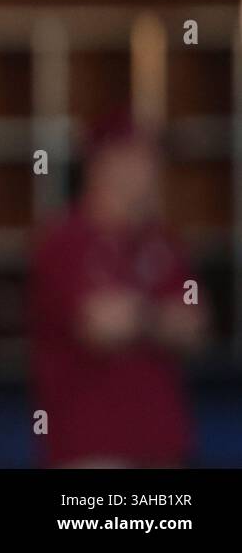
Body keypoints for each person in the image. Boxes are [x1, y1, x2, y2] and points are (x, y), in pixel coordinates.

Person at [29, 112, 208, 467]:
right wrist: (159, 317)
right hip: (91, 450)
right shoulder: (65, 239)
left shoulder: (163, 241)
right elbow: (101, 326)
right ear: (105, 163)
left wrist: (138, 315)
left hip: (163, 446)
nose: (152, 170)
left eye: (152, 158)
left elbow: (195, 326)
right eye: (140, 157)